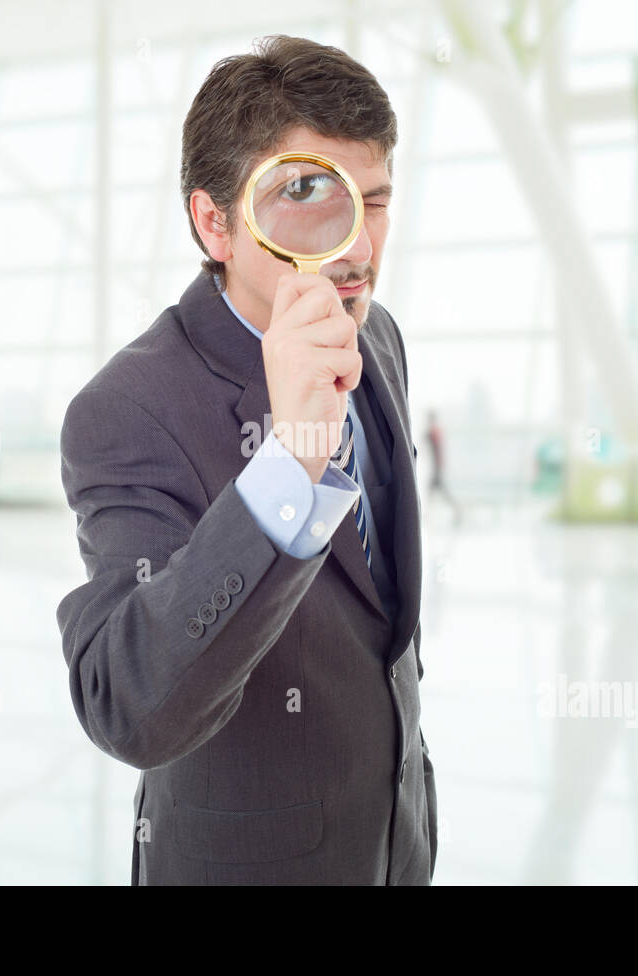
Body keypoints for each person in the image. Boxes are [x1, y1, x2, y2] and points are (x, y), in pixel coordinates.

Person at [56, 34, 435, 885]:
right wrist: (288, 467)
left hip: (395, 849)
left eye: (373, 200)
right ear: (215, 221)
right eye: (306, 193)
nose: (358, 247)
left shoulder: (377, 337)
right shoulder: (127, 409)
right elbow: (130, 704)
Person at [425, 408, 463, 526]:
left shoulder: (434, 432)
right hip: (437, 468)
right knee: (434, 492)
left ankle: (458, 510)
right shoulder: (434, 432)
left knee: (440, 492)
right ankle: (426, 515)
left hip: (437, 469)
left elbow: (438, 450)